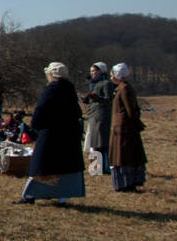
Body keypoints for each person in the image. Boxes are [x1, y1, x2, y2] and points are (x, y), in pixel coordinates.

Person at [15, 62, 85, 206]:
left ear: (51, 75)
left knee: (41, 168)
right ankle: (62, 198)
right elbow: (77, 112)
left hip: (52, 134)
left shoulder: (52, 89)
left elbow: (41, 110)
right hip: (69, 135)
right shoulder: (69, 89)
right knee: (65, 168)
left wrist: (35, 126)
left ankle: (29, 195)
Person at [109, 63, 147, 193]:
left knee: (124, 157)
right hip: (122, 127)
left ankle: (127, 184)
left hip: (124, 129)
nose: (111, 76)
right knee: (123, 157)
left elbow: (131, 110)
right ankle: (124, 184)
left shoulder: (124, 88)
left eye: (112, 73)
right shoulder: (121, 87)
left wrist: (136, 124)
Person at [83, 62, 115, 175]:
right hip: (93, 115)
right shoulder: (94, 84)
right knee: (94, 142)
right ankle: (95, 168)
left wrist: (95, 97)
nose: (92, 73)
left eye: (95, 71)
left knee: (101, 142)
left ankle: (103, 167)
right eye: (91, 71)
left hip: (102, 116)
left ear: (101, 71)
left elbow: (108, 100)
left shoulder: (106, 83)